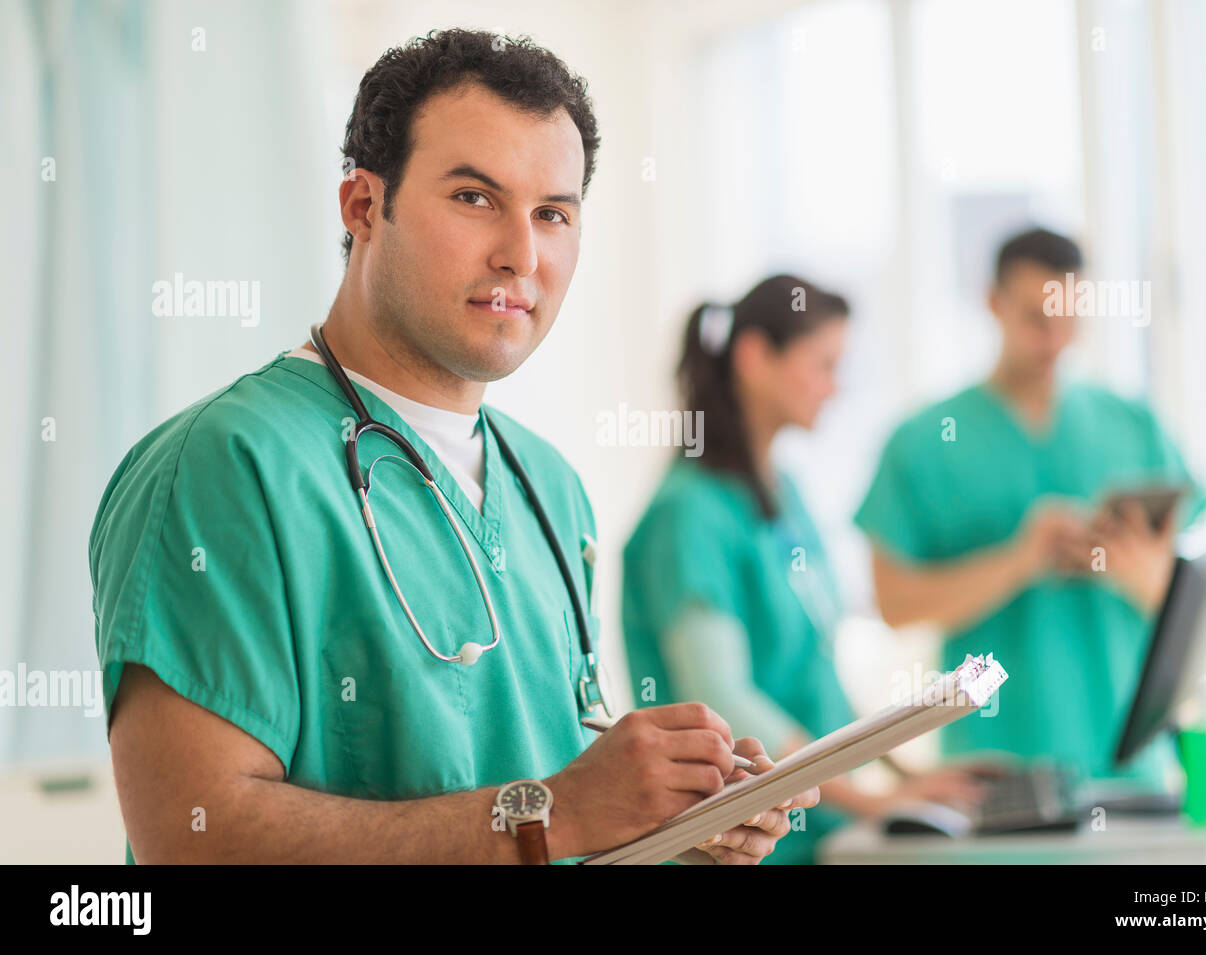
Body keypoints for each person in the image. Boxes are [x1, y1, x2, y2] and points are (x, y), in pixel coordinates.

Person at [90, 29, 816, 865]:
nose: (522, 254)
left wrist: (673, 818)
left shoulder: (549, 486)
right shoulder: (224, 466)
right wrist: (550, 813)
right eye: (475, 198)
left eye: (553, 213)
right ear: (364, 206)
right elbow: (195, 837)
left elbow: (552, 800)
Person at [621, 275, 987, 865]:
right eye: (823, 364)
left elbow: (818, 676)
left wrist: (908, 772)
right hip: (736, 843)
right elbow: (724, 699)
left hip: (810, 831)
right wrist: (877, 803)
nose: (835, 388)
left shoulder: (784, 493)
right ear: (755, 358)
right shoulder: (689, 515)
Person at [855, 227, 1206, 793]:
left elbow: (1193, 591)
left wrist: (1138, 574)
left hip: (1127, 770)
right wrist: (1021, 560)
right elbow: (893, 605)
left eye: (1070, 323)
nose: (1055, 342)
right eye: (1036, 322)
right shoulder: (923, 442)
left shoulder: (1133, 426)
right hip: (992, 773)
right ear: (992, 303)